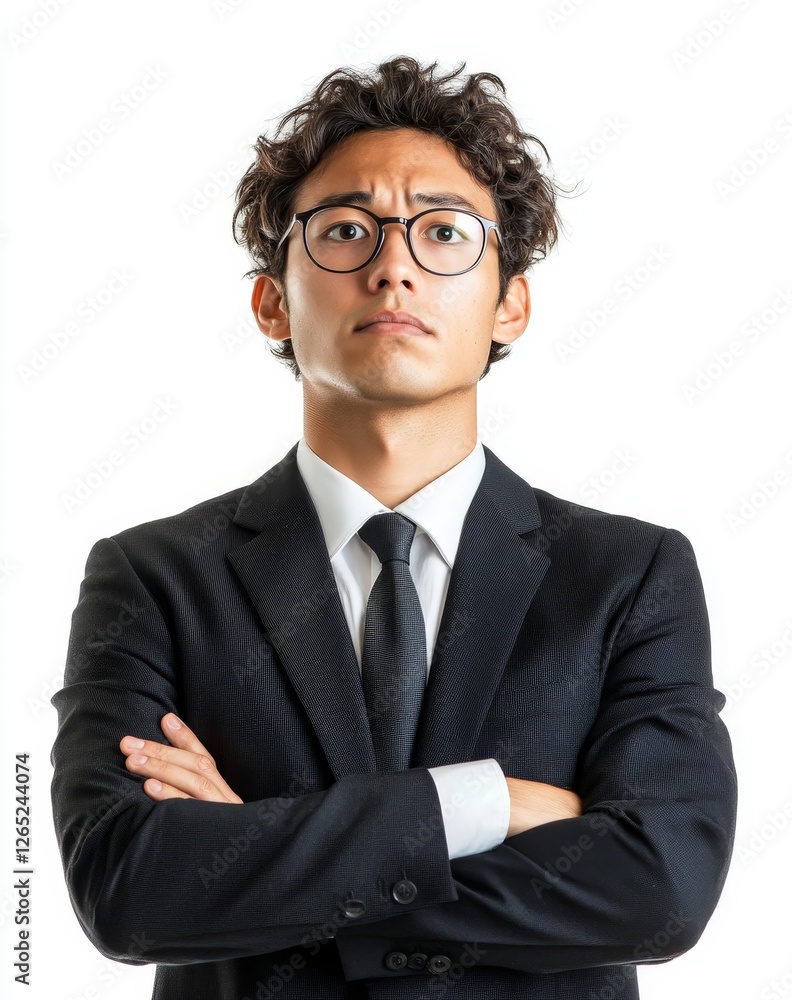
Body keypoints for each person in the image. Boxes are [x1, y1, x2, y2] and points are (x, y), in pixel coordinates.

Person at [50, 56, 737, 1000]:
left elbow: (662, 889)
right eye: (343, 231)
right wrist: (489, 803)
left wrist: (260, 855)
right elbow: (127, 888)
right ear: (273, 302)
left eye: (444, 232)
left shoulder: (627, 575)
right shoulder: (155, 576)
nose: (392, 265)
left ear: (511, 302)